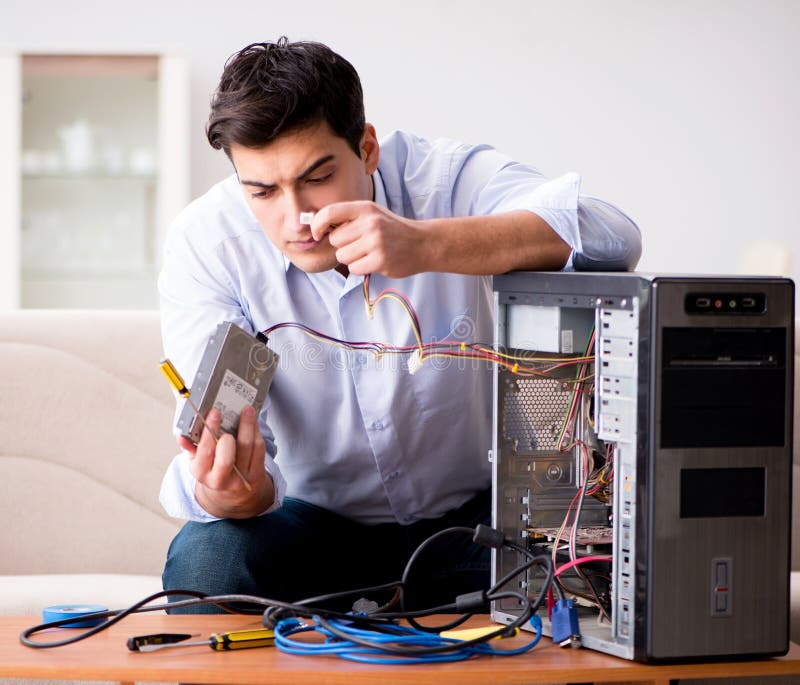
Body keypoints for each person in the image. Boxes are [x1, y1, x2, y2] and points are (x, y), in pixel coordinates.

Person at [158, 37, 641, 613]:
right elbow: (223, 451)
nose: (297, 219)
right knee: (205, 561)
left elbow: (614, 236)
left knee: (600, 565)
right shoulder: (209, 243)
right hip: (310, 528)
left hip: (474, 527)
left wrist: (429, 243)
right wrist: (242, 494)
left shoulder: (449, 181)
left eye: (316, 176)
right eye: (262, 190)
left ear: (367, 148)